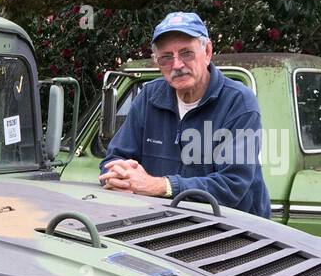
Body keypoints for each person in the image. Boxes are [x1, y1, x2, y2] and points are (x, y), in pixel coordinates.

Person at [100, 11, 271, 217]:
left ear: (207, 52)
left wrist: (160, 186)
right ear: (157, 63)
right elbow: (115, 158)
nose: (177, 65)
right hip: (161, 222)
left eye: (186, 53)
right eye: (166, 57)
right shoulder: (148, 97)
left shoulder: (239, 102)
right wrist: (119, 176)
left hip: (234, 231)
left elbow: (232, 185)